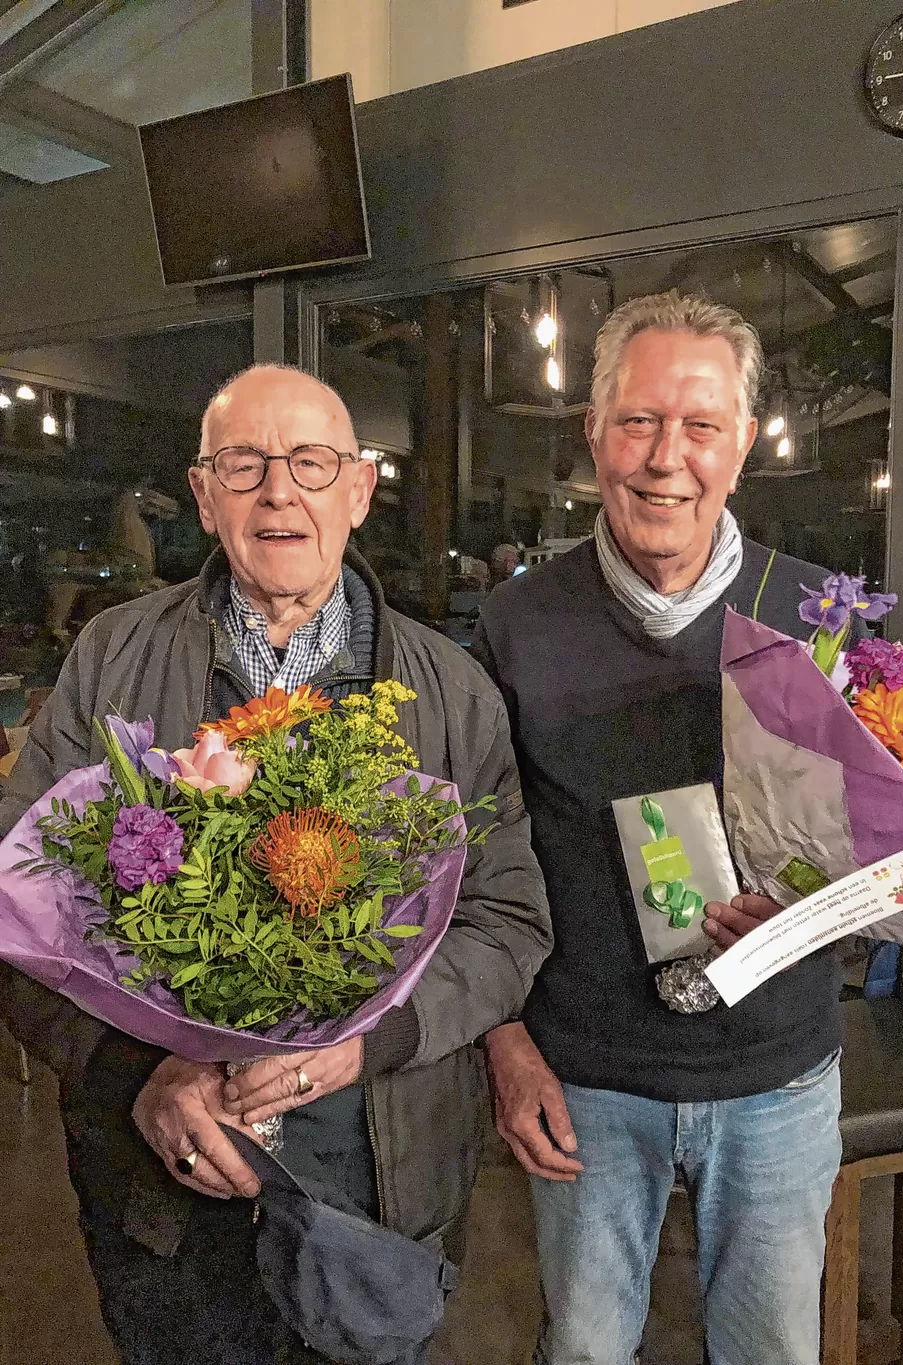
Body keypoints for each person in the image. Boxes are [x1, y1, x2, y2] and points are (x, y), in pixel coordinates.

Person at [0, 364, 552, 1365]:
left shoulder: (452, 690)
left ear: (358, 490)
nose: (278, 492)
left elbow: (506, 920)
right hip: (163, 1186)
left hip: (379, 1185)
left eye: (308, 462)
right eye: (244, 464)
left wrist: (366, 1042)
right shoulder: (109, 659)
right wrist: (139, 1072)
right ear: (203, 496)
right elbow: (20, 912)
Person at [473, 291, 848, 1365]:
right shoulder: (515, 624)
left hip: (777, 1072)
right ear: (593, 436)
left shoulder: (815, 615)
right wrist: (505, 1047)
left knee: (772, 1351)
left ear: (742, 446)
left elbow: (881, 844)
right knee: (584, 1351)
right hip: (585, 1079)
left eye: (699, 426)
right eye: (637, 422)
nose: (664, 457)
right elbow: (474, 865)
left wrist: (821, 901)